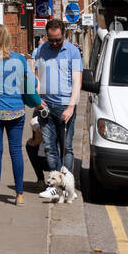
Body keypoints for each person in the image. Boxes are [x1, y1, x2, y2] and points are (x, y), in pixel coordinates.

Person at [0, 23, 39, 205]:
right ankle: (19, 196)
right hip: (16, 110)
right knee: (16, 151)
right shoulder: (19, 59)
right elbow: (32, 81)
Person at [33, 17, 83, 191]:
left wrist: (71, 107)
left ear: (64, 35)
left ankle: (67, 185)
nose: (54, 43)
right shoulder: (41, 49)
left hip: (65, 106)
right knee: (49, 147)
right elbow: (37, 77)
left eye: (57, 40)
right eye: (51, 39)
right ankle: (54, 185)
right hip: (45, 106)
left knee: (66, 148)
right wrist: (37, 100)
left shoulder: (73, 52)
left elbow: (77, 82)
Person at [26, 117, 48, 187]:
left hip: (44, 159)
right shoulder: (66, 116)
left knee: (29, 145)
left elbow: (39, 133)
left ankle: (40, 179)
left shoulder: (35, 121)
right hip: (60, 161)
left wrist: (33, 142)